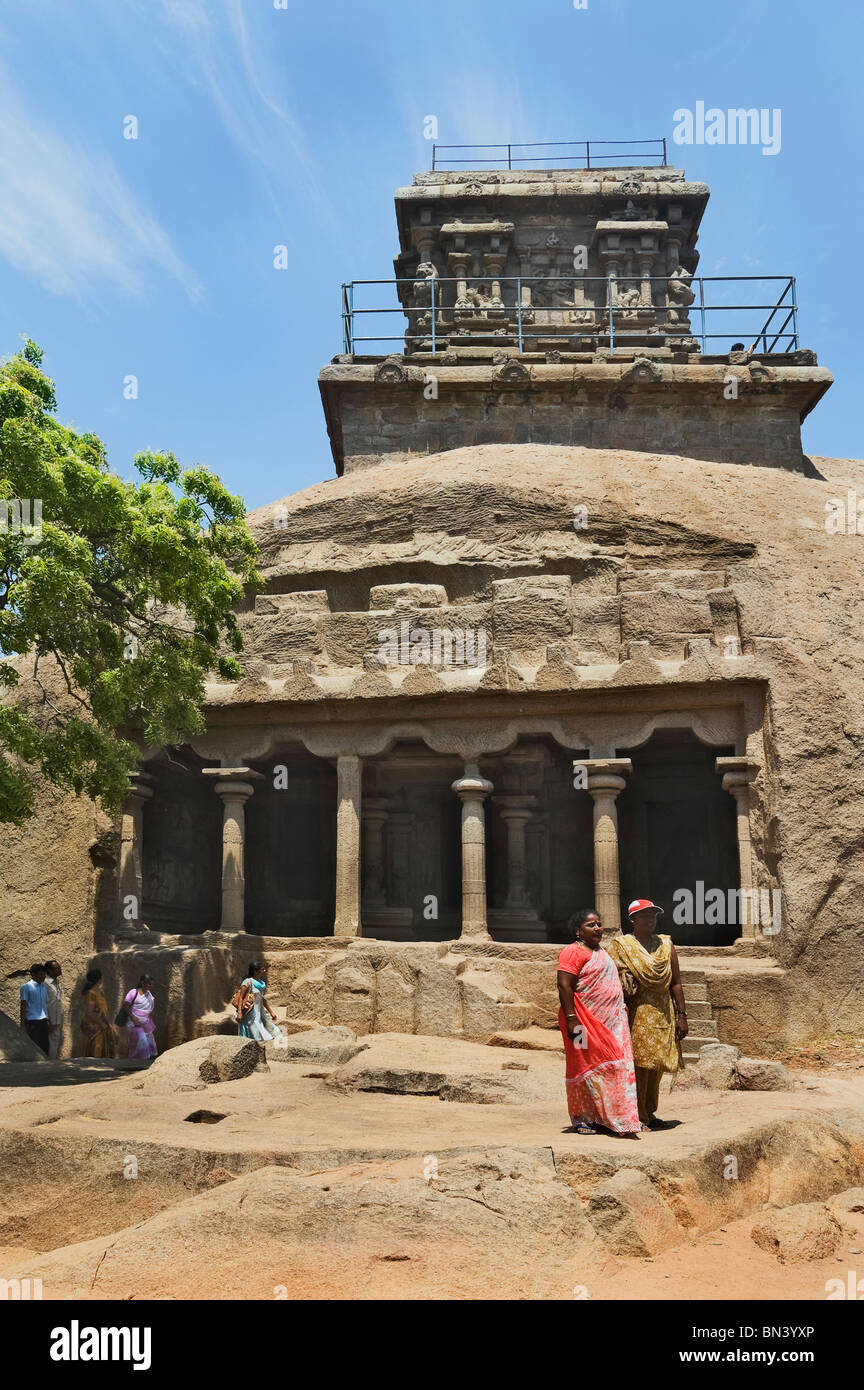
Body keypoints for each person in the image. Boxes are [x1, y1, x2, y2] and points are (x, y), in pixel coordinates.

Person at [556, 908, 640, 1137]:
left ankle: (607, 1118)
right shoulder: (572, 952)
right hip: (582, 1023)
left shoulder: (602, 952)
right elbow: (565, 985)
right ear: (578, 931)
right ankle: (582, 1118)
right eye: (591, 925)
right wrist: (572, 1019)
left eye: (599, 924)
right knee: (583, 1066)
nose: (597, 928)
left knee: (613, 1067)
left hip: (610, 1024)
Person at [607, 899, 688, 1130]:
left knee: (657, 1065)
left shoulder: (665, 944)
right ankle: (638, 1114)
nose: (650, 919)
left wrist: (682, 1014)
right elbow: (611, 980)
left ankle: (650, 1112)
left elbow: (676, 982)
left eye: (653, 915)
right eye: (644, 915)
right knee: (639, 1064)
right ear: (632, 919)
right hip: (636, 1013)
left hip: (663, 1012)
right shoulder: (620, 945)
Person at [234, 961, 283, 1044]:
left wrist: (271, 1013)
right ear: (256, 971)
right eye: (262, 969)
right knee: (254, 1029)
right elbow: (241, 998)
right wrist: (239, 1012)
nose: (264, 971)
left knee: (261, 1026)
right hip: (249, 1011)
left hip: (258, 1011)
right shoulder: (247, 982)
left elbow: (262, 999)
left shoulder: (261, 983)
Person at [80, 968, 118, 1058]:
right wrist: (101, 1023)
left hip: (102, 1023)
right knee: (96, 1047)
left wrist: (106, 1023)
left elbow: (102, 1010)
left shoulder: (100, 992)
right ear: (99, 980)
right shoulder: (91, 993)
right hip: (94, 1025)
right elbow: (89, 1012)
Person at [123, 975, 158, 1061]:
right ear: (142, 983)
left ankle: (145, 1065)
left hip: (146, 1024)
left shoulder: (149, 994)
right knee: (141, 1043)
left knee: (150, 1044)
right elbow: (125, 1006)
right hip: (134, 1023)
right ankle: (136, 1064)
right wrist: (134, 1018)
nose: (151, 986)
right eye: (149, 984)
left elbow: (149, 1008)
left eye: (152, 984)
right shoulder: (133, 992)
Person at [19, 963, 50, 1055]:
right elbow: (23, 1005)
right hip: (32, 1021)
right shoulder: (26, 987)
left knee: (45, 1045)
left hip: (43, 1021)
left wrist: (48, 1020)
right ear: (33, 974)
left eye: (44, 974)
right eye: (41, 974)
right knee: (35, 1045)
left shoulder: (43, 987)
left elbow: (44, 1005)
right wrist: (23, 1024)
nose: (43, 976)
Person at [44, 960, 63, 1059]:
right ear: (49, 970)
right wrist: (46, 1020)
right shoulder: (44, 984)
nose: (60, 970)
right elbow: (42, 1003)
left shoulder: (56, 982)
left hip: (56, 1019)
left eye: (59, 967)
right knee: (46, 1043)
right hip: (48, 1019)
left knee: (54, 1042)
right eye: (57, 968)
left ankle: (51, 1063)